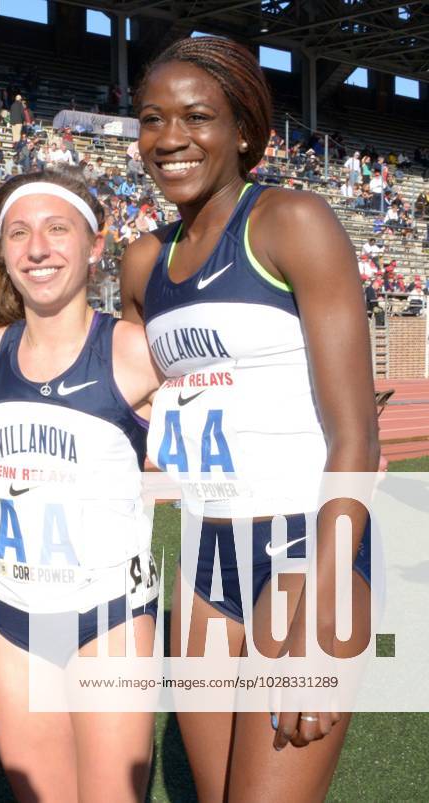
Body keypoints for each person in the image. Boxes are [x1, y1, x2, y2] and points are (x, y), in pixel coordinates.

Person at [120, 36, 377, 802]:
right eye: (151, 118)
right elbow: (135, 407)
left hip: (303, 554)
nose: (170, 138)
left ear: (244, 129)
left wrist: (320, 609)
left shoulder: (290, 222)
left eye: (196, 116)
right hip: (204, 556)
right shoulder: (143, 264)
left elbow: (357, 438)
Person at [0, 169, 161, 801]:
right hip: (15, 617)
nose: (37, 248)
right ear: (4, 252)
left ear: (96, 245)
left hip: (110, 616)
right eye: (20, 233)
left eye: (56, 229)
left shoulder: (137, 351)